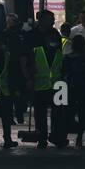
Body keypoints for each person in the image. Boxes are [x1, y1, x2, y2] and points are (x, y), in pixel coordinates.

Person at [29, 8, 66, 147]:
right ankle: (42, 137)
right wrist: (28, 76)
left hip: (58, 81)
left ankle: (57, 136)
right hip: (40, 81)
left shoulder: (55, 34)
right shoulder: (32, 36)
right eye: (50, 20)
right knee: (40, 112)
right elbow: (26, 57)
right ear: (42, 20)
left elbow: (59, 55)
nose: (53, 22)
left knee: (59, 111)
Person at [62, 33, 85, 148]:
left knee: (68, 112)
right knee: (82, 112)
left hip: (70, 86)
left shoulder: (68, 58)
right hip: (83, 86)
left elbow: (63, 73)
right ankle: (79, 138)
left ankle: (64, 136)